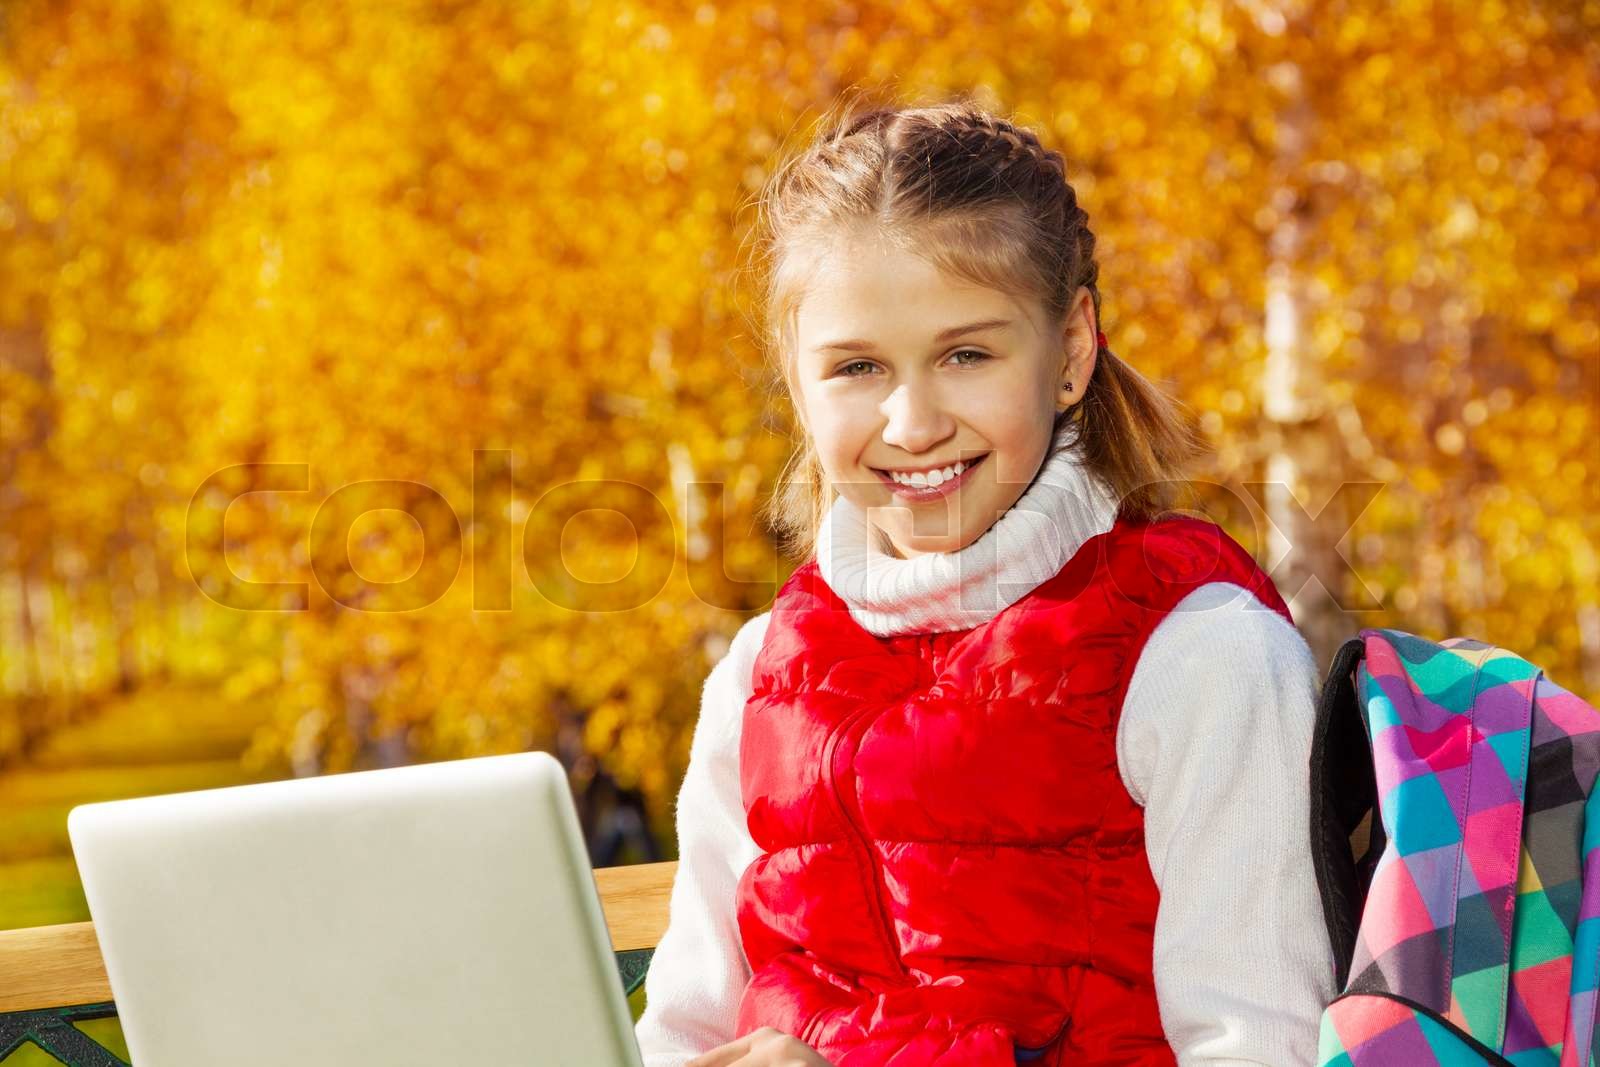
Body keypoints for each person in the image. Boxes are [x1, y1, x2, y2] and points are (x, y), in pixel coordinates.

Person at [634, 97, 1336, 1067]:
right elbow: (677, 1036)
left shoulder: (1200, 653)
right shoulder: (759, 673)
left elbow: (1262, 1049)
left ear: (1072, 349)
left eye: (966, 354)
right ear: (797, 385)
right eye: (856, 366)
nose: (913, 419)